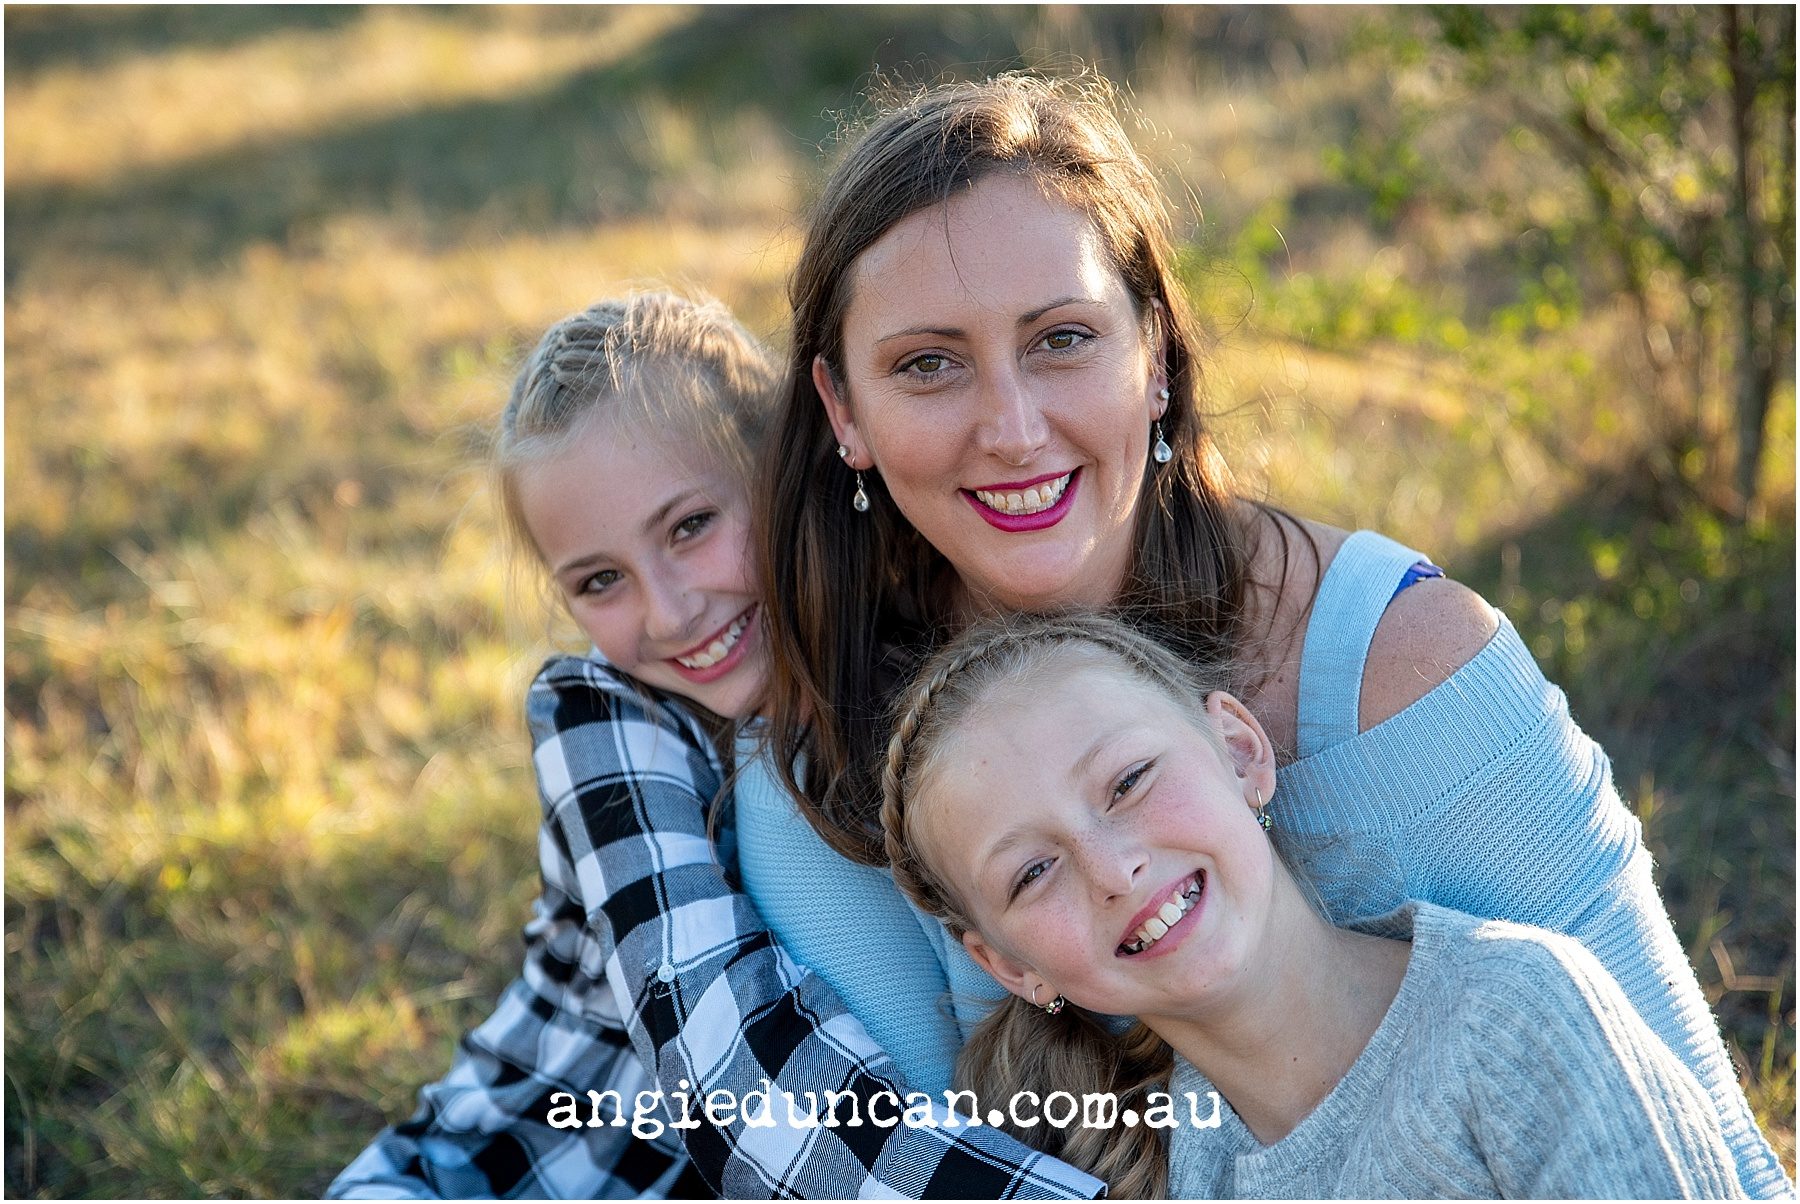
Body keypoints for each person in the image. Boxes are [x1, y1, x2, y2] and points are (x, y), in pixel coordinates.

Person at [744, 72, 1791, 1196]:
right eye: (927, 364)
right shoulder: (832, 761)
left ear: (1154, 353)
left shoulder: (1402, 664)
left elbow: (1702, 1154)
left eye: (1060, 338)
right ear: (843, 409)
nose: (1010, 427)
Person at [329, 293, 1104, 1198]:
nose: (669, 611)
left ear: (782, 472)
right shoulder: (602, 722)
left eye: (690, 528)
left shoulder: (909, 662)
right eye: (600, 580)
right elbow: (735, 1082)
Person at [881, 610, 1750, 1199]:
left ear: (1239, 751)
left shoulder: (1508, 1020)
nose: (1112, 869)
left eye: (1130, 781)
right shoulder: (1167, 1170)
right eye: (1033, 872)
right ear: (1010, 967)